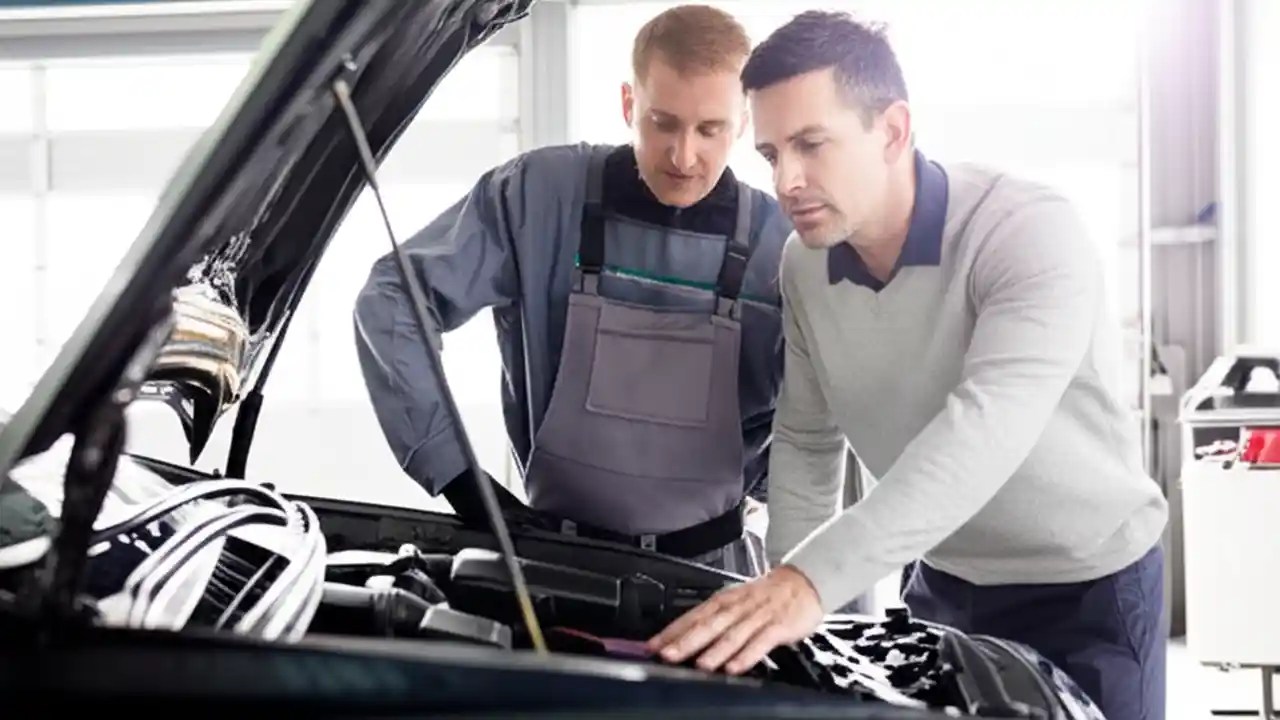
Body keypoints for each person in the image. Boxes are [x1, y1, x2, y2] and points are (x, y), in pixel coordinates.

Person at [646, 11, 1170, 720]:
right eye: (770, 153)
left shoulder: (1027, 233)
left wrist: (811, 582)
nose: (787, 180)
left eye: (811, 144)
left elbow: (981, 434)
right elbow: (806, 440)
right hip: (942, 582)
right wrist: (792, 622)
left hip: (1088, 588)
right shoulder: (803, 265)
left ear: (892, 130)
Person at [353, 5, 792, 576]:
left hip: (717, 579)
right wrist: (460, 479)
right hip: (553, 569)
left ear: (744, 122)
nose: (684, 156)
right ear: (629, 104)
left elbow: (823, 426)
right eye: (663, 122)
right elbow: (392, 299)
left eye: (710, 130)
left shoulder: (784, 249)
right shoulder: (537, 198)